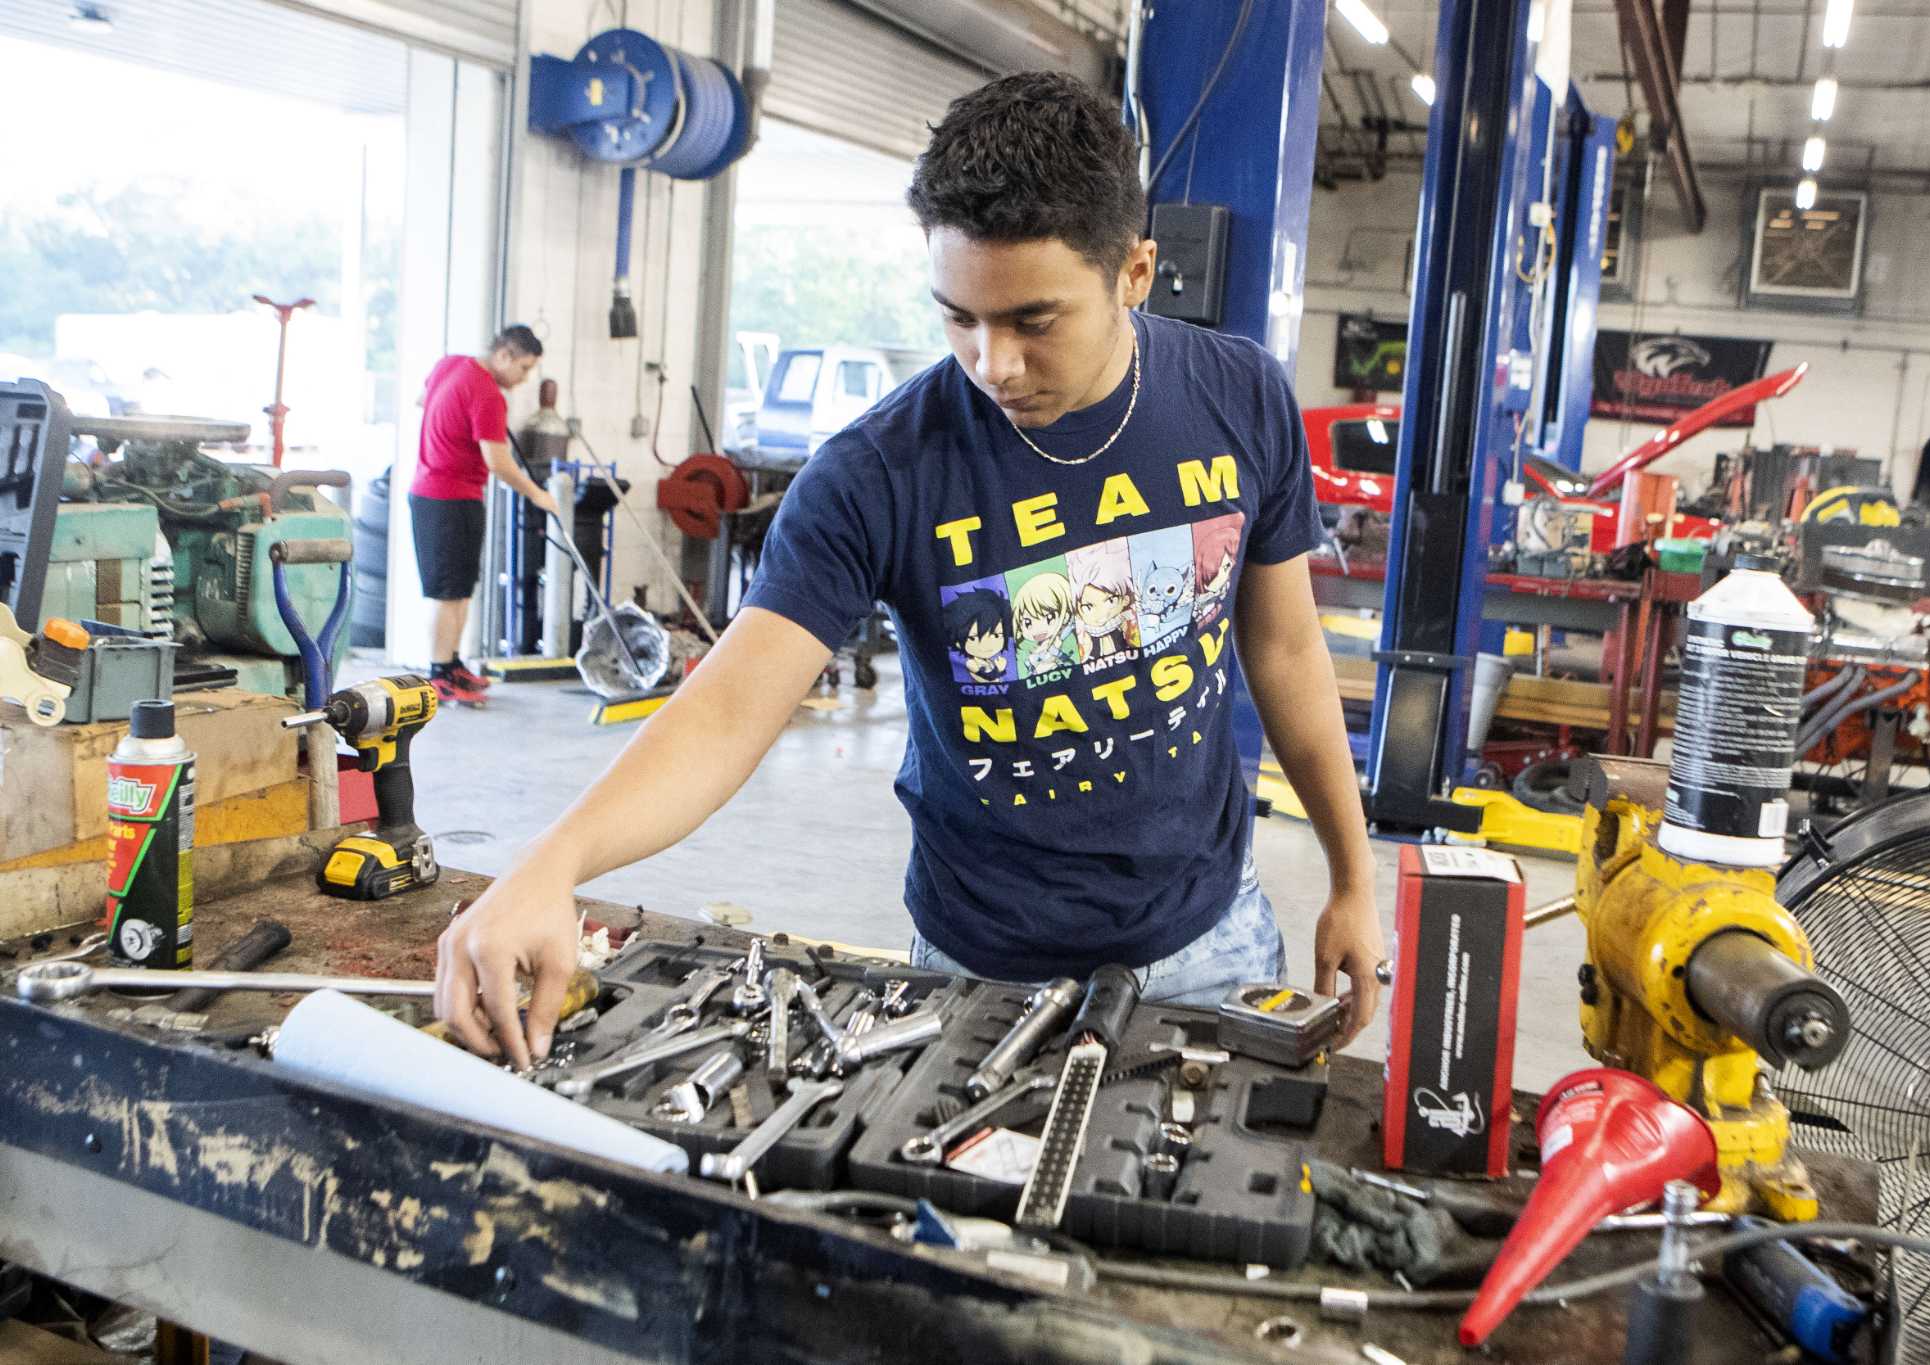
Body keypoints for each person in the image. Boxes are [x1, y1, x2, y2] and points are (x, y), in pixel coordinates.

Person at [434, 72, 1387, 1069]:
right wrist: (554, 862)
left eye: (1032, 321)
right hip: (982, 969)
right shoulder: (876, 476)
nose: (993, 363)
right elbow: (725, 711)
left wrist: (1351, 876)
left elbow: (1282, 651)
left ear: (1135, 273)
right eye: (957, 318)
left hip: (1209, 936)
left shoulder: (1239, 397)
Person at [409, 325, 557, 707]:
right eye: (523, 368)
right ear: (504, 356)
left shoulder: (450, 365)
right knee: (448, 593)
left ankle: (452, 663)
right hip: (450, 497)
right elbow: (500, 463)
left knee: (460, 589)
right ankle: (438, 673)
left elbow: (421, 401)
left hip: (435, 493)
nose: (523, 380)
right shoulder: (488, 394)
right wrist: (538, 495)